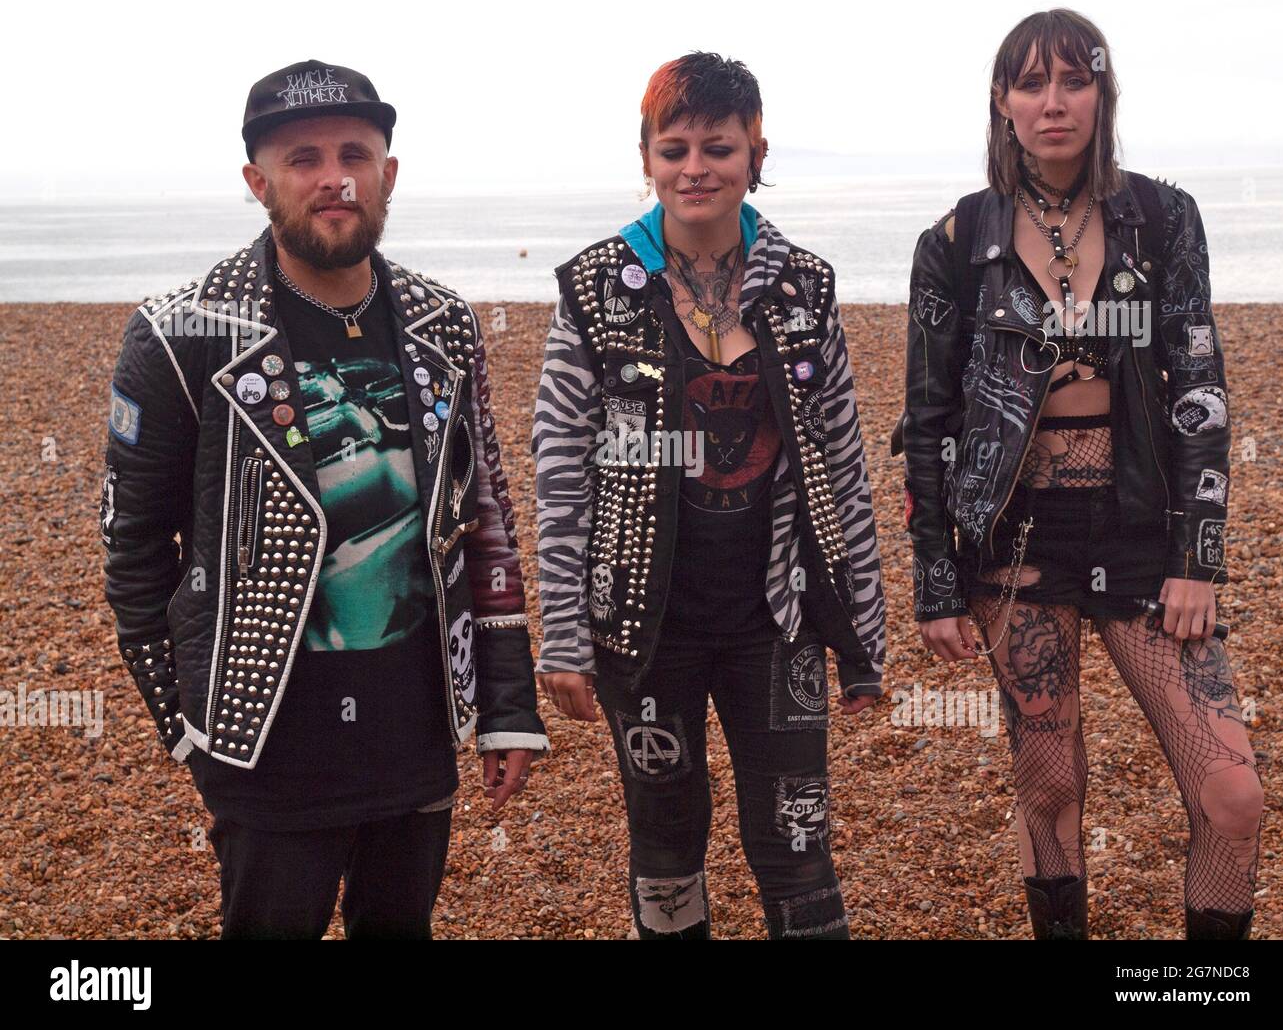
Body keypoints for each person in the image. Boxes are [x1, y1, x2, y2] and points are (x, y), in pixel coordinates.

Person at [101, 60, 547, 939]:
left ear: (388, 172)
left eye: (356, 152)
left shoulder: (443, 322)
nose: (334, 175)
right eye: (303, 157)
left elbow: (482, 515)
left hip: (416, 730)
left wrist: (506, 707)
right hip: (267, 742)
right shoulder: (182, 331)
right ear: (256, 180)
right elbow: (134, 550)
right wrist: (188, 725)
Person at [897, 10, 1263, 939]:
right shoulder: (953, 241)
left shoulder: (1163, 217)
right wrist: (935, 581)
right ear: (1002, 101)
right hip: (1015, 539)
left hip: (1143, 531)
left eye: (1074, 80)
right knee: (1049, 784)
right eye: (1030, 83)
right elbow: (930, 422)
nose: (1053, 101)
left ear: (1104, 93)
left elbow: (1201, 395)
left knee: (1232, 793)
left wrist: (1198, 555)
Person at [533, 52, 886, 939]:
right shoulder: (592, 289)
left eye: (719, 148)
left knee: (797, 837)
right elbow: (560, 465)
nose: (697, 168)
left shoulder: (806, 285)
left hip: (782, 618)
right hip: (645, 624)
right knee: (664, 838)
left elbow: (842, 460)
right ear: (647, 157)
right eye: (675, 147)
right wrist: (566, 636)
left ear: (754, 154)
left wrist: (866, 636)